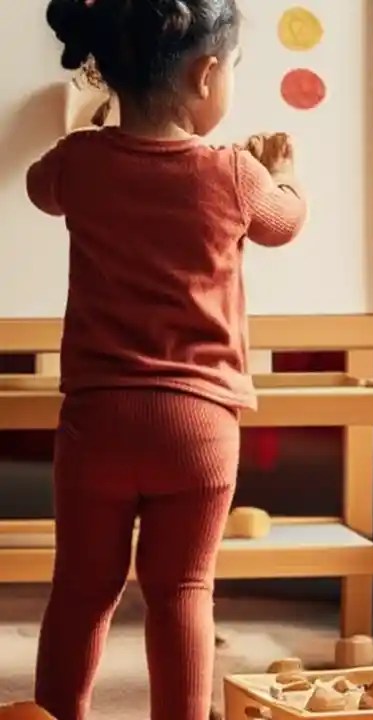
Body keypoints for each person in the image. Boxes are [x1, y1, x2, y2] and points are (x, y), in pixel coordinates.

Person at [28, 1, 306, 718]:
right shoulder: (236, 174)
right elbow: (284, 224)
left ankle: (54, 714)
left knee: (83, 590)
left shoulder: (78, 162)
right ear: (207, 73)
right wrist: (286, 174)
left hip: (97, 421)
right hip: (198, 423)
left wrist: (93, 126)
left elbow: (37, 188)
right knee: (183, 589)